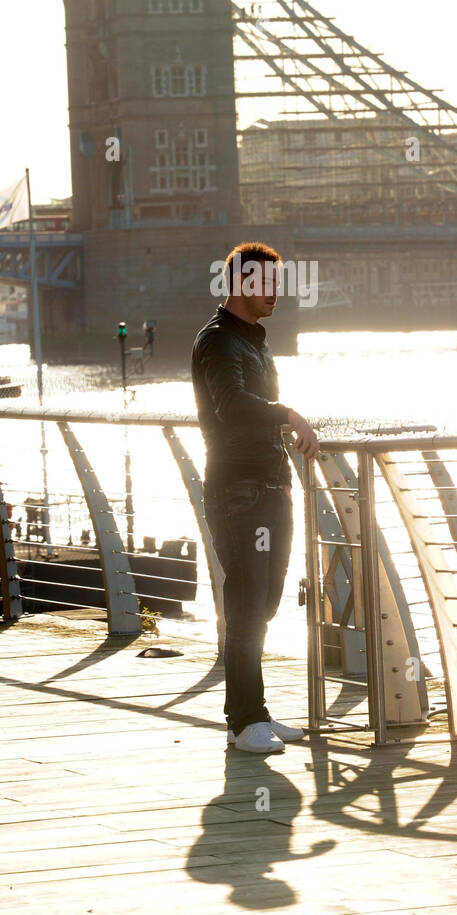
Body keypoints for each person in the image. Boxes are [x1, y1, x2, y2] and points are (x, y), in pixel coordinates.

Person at [191, 241, 320, 754]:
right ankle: (244, 722)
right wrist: (288, 413)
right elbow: (232, 405)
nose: (275, 293)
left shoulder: (254, 341)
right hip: (237, 491)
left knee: (264, 603)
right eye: (266, 283)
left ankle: (256, 713)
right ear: (241, 284)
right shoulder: (218, 341)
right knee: (247, 605)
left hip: (270, 487)